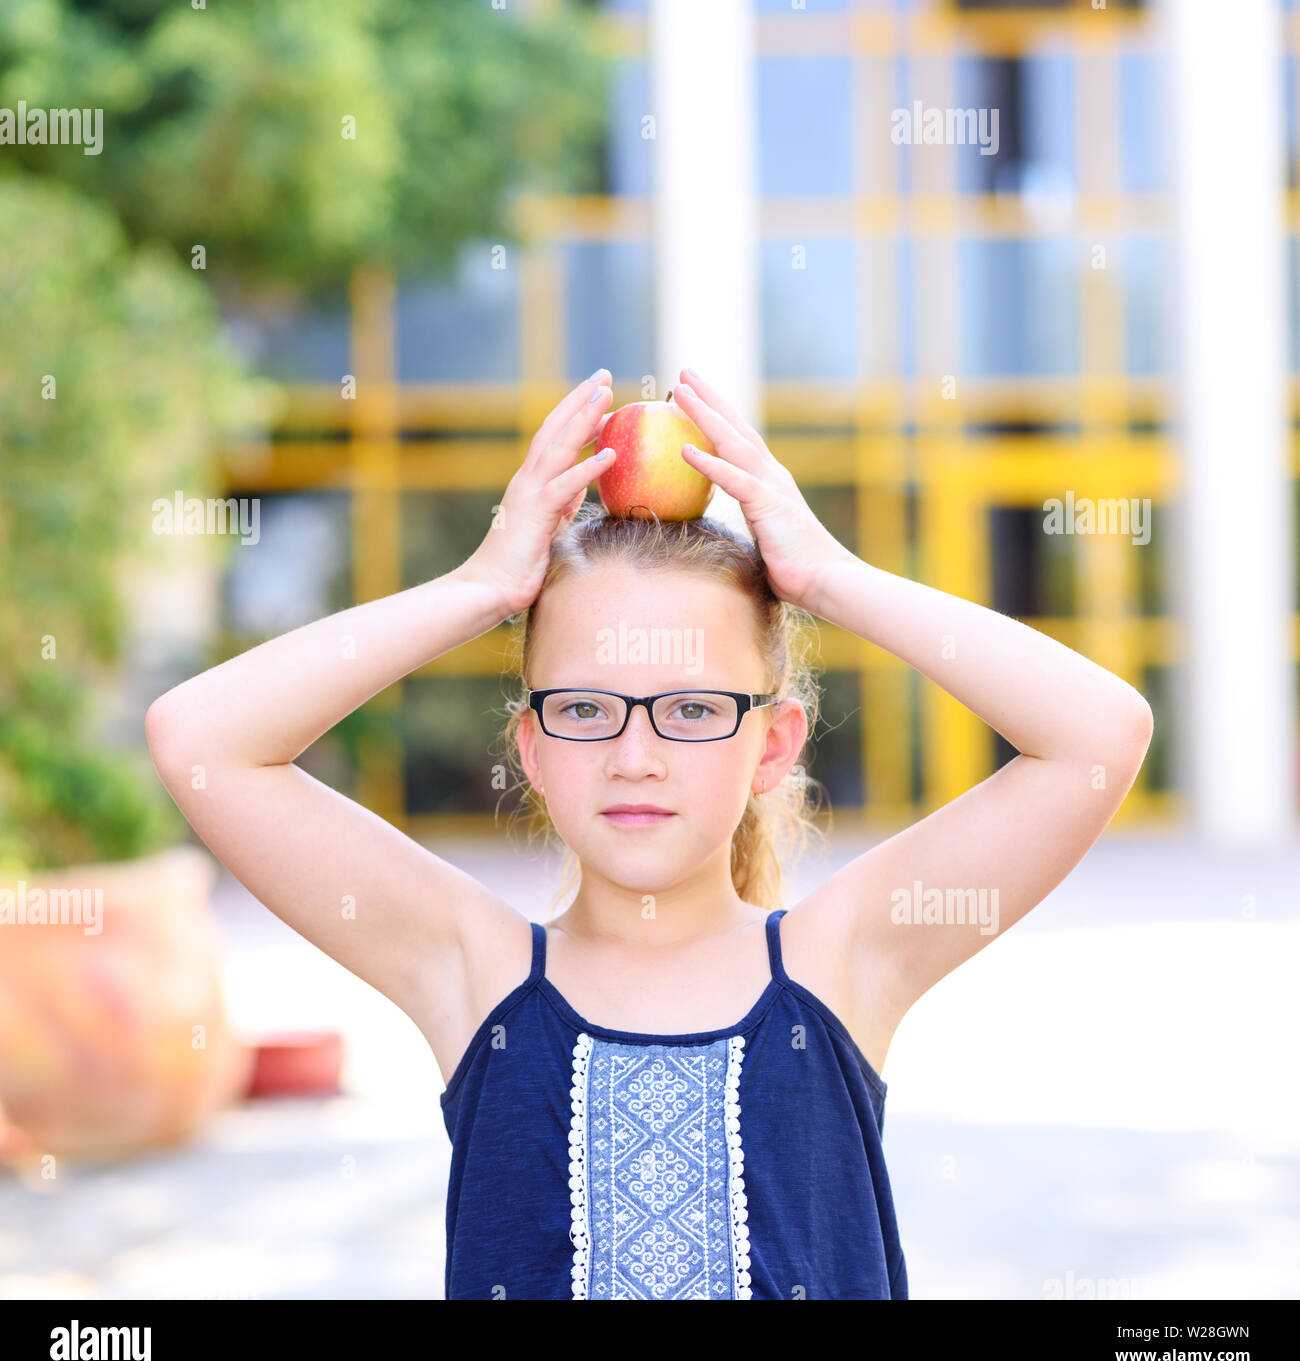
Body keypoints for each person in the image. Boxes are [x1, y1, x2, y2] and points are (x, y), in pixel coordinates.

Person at [145, 365, 1154, 1300]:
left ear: (771, 744)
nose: (636, 755)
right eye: (585, 709)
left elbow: (1097, 736)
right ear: (530, 747)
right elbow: (201, 740)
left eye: (692, 707)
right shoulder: (473, 969)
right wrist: (478, 589)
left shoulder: (840, 962)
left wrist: (827, 576)